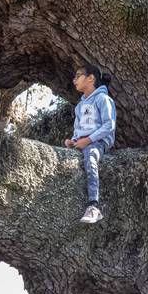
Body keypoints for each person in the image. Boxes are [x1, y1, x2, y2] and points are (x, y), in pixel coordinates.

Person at [65, 64, 116, 224]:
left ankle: (94, 206)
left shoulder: (103, 99)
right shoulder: (80, 106)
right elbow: (78, 128)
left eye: (78, 76)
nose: (74, 80)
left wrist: (88, 140)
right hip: (81, 143)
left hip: (97, 142)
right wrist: (73, 140)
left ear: (91, 78)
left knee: (91, 159)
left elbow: (109, 125)